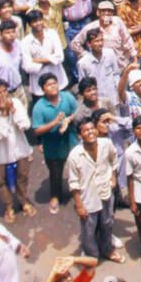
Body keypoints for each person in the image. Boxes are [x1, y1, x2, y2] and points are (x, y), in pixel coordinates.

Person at [66, 115, 123, 263]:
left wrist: (113, 178)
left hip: (106, 191)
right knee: (89, 229)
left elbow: (113, 160)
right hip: (88, 197)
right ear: (80, 135)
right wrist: (79, 205)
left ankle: (107, 250)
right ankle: (92, 255)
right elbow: (73, 183)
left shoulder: (106, 144)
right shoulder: (74, 156)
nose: (90, 132)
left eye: (92, 128)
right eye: (86, 130)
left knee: (107, 223)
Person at [31, 70, 79, 213]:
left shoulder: (67, 97)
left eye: (54, 83)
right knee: (55, 171)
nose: (53, 86)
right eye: (48, 85)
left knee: (78, 166)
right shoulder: (39, 107)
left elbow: (77, 112)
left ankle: (80, 194)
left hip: (70, 138)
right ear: (43, 89)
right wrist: (54, 123)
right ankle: (55, 196)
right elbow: (37, 130)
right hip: (52, 144)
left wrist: (68, 120)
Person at [0, 79, 34, 219]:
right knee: (1, 182)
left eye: (4, 91)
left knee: (22, 177)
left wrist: (12, 110)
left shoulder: (16, 103)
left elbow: (25, 125)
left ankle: (23, 201)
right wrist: (3, 113)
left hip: (20, 149)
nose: (2, 95)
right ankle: (8, 205)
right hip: (1, 153)